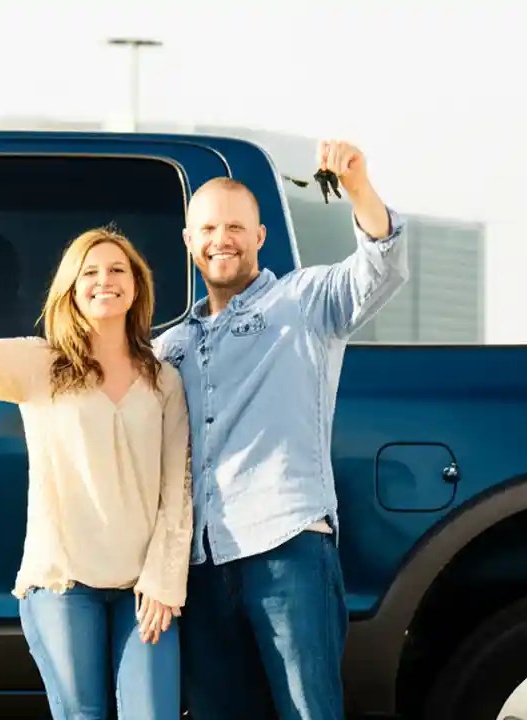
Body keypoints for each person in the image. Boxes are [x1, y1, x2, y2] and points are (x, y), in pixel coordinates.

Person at [154, 140, 409, 720]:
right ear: (190, 241)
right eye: (211, 228)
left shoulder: (305, 303)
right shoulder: (169, 350)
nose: (224, 239)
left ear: (261, 236)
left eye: (237, 227)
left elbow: (380, 266)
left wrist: (358, 185)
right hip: (201, 565)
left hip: (287, 549)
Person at [0, 209, 192, 720]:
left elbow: (179, 487)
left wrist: (163, 579)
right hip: (62, 583)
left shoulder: (164, 379)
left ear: (136, 286)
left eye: (117, 270)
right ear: (71, 290)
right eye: (90, 272)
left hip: (143, 589)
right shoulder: (40, 365)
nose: (105, 280)